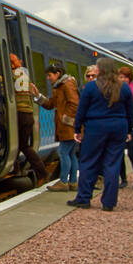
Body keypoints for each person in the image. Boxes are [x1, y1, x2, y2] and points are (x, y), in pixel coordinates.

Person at [68, 56, 133, 211]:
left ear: (101, 69)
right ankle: (109, 202)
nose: (95, 70)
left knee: (89, 162)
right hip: (119, 127)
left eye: (97, 68)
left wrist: (78, 129)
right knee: (112, 164)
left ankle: (84, 198)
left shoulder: (91, 87)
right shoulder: (123, 88)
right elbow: (131, 112)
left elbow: (81, 110)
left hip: (95, 128)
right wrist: (129, 130)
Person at [35, 62, 79, 190]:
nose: (48, 78)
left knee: (63, 152)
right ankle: (73, 182)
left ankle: (64, 182)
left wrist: (65, 118)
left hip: (68, 126)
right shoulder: (59, 87)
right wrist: (38, 96)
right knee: (70, 154)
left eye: (49, 75)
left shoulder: (67, 85)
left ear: (57, 74)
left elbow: (74, 104)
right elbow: (50, 104)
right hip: (67, 126)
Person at [9, 53, 49, 186]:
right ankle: (17, 169)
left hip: (20, 115)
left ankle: (41, 173)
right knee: (23, 144)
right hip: (28, 114)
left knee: (22, 145)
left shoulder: (12, 76)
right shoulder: (25, 76)